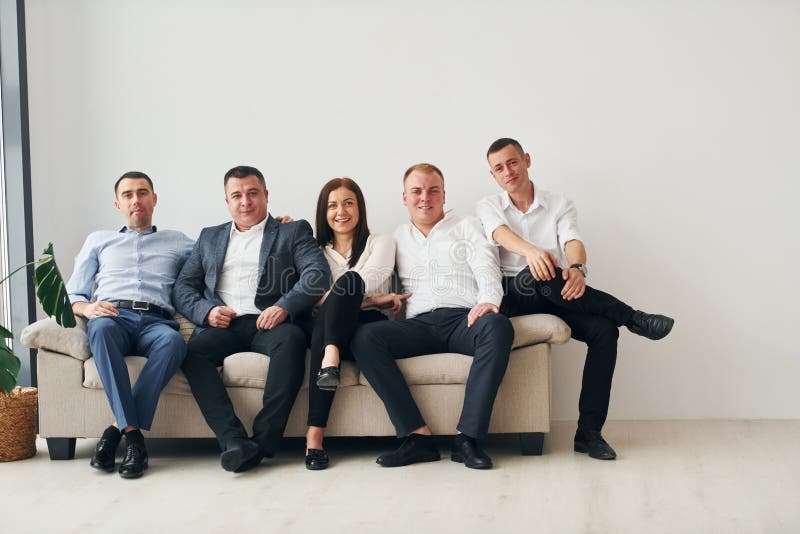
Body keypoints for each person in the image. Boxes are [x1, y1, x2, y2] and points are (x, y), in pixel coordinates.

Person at [476, 137, 675, 460]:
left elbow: (572, 240)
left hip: (556, 293)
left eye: (512, 162)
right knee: (541, 270)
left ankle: (589, 434)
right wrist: (532, 252)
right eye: (499, 168)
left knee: (604, 331)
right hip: (515, 293)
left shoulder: (559, 203)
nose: (507, 171)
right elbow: (501, 234)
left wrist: (578, 269)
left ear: (526, 159)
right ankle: (633, 317)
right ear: (493, 175)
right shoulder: (488, 205)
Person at [351, 163, 514, 470]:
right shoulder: (395, 237)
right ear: (404, 197)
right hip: (419, 325)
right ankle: (417, 438)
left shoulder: (467, 225)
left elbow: (486, 266)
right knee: (365, 337)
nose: (425, 198)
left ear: (443, 194)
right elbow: (370, 271)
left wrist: (490, 301)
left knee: (498, 326)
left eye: (432, 190)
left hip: (464, 319)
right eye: (416, 191)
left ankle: (467, 439)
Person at [173, 165, 330, 473]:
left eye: (252, 193)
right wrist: (205, 311)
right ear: (227, 201)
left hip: (270, 323)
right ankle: (234, 442)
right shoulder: (209, 237)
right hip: (224, 323)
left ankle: (261, 442)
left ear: (266, 196)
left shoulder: (291, 231)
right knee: (191, 353)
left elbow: (317, 274)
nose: (245, 201)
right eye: (237, 195)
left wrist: (284, 306)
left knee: (293, 340)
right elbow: (183, 286)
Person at [66, 171, 194, 479]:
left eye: (142, 192)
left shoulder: (179, 241)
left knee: (173, 342)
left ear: (154, 199)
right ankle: (135, 438)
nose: (136, 199)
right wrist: (87, 307)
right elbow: (73, 293)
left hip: (156, 320)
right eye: (128, 194)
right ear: (117, 204)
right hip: (113, 315)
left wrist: (275, 229)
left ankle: (115, 432)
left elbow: (222, 250)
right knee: (101, 330)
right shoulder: (99, 241)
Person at [305, 177, 406, 470]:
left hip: (367, 328)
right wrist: (374, 299)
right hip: (335, 324)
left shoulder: (381, 242)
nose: (341, 211)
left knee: (349, 282)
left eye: (348, 203)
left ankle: (314, 436)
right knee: (324, 322)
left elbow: (368, 279)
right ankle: (315, 435)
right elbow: (310, 298)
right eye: (332, 205)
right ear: (323, 213)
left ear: (359, 207)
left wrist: (348, 299)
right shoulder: (315, 251)